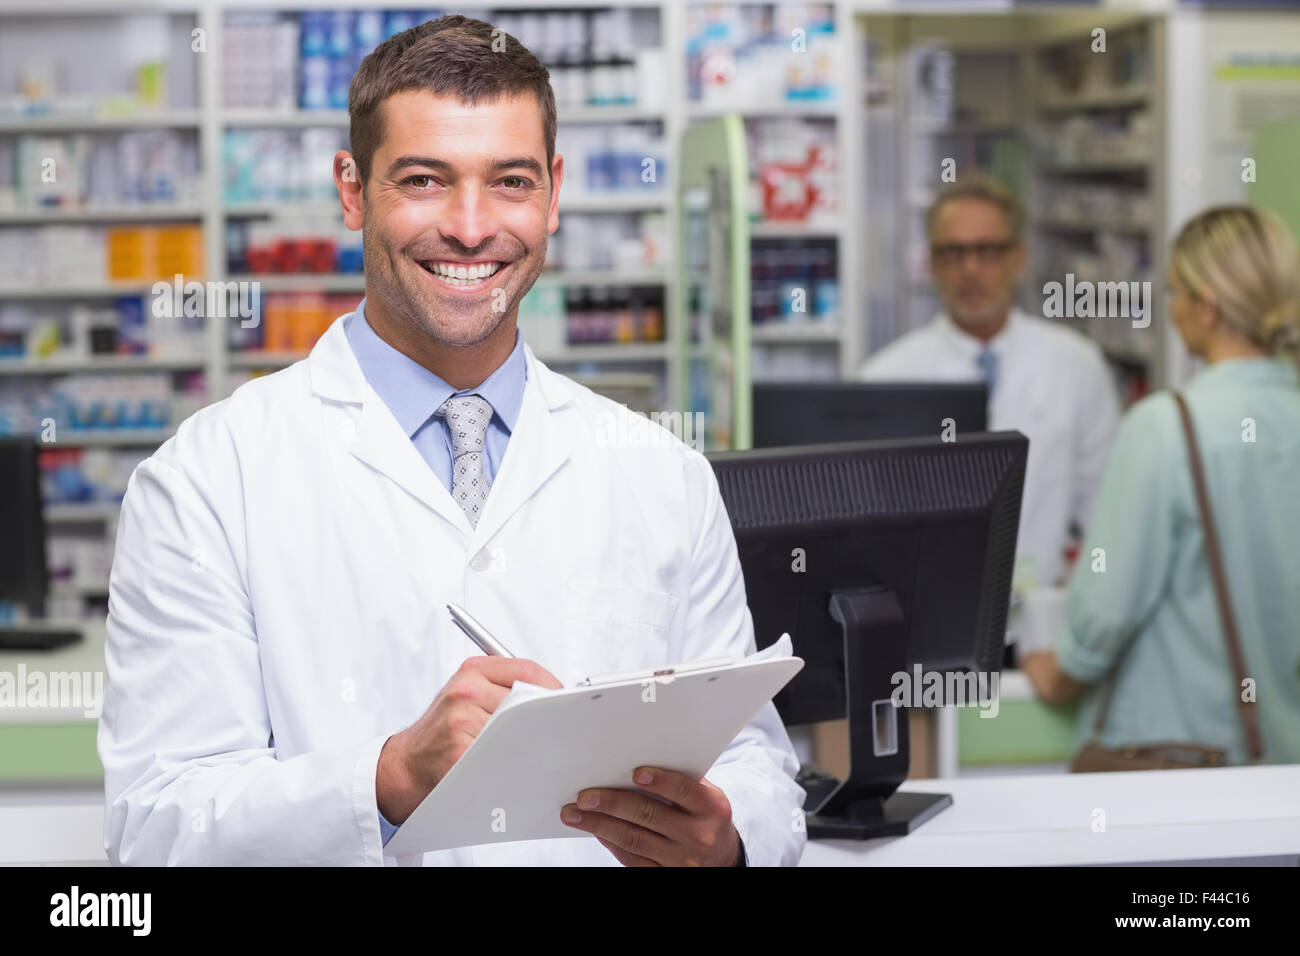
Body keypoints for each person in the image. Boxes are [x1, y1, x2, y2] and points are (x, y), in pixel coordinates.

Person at [98, 15, 805, 867]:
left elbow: (755, 765)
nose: (471, 228)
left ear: (553, 193)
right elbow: (159, 823)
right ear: (354, 191)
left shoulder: (664, 475)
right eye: (426, 180)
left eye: (509, 181)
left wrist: (727, 843)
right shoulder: (207, 480)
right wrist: (387, 779)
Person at [1022, 205, 1300, 765]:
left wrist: (1058, 670)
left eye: (1174, 292)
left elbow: (1107, 607)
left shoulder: (1167, 426)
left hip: (1181, 759)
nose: (1170, 310)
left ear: (1209, 306)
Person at [859, 177, 1120, 591]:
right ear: (931, 262)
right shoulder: (885, 377)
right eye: (953, 252)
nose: (971, 269)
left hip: (1043, 628)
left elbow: (1106, 516)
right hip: (925, 627)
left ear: (1019, 258)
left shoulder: (1076, 364)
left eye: (988, 251)